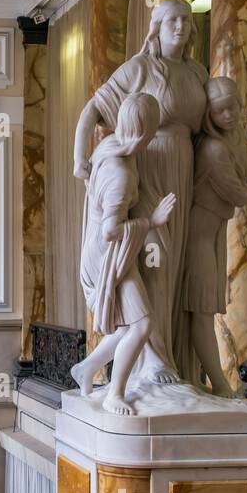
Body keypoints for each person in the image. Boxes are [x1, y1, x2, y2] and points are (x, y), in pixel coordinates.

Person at [73, 0, 208, 385]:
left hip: (182, 173)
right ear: (157, 27)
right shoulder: (140, 68)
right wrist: (79, 160)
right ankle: (154, 360)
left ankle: (172, 358)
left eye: (185, 20)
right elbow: (91, 112)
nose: (180, 26)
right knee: (154, 261)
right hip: (146, 168)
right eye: (171, 20)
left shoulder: (197, 72)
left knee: (175, 264)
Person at [71, 93, 177, 416]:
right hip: (107, 256)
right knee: (142, 324)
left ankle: (87, 369)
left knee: (123, 326)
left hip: (99, 253)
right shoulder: (121, 175)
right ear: (145, 132)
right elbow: (110, 231)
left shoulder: (109, 145)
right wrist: (151, 221)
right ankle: (115, 392)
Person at [185, 77, 247, 396]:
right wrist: (243, 188)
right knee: (202, 312)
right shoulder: (213, 149)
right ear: (208, 114)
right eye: (220, 110)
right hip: (199, 241)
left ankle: (212, 381)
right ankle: (220, 384)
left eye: (233, 107)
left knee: (204, 312)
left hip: (211, 236)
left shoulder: (224, 144)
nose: (229, 115)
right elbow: (239, 193)